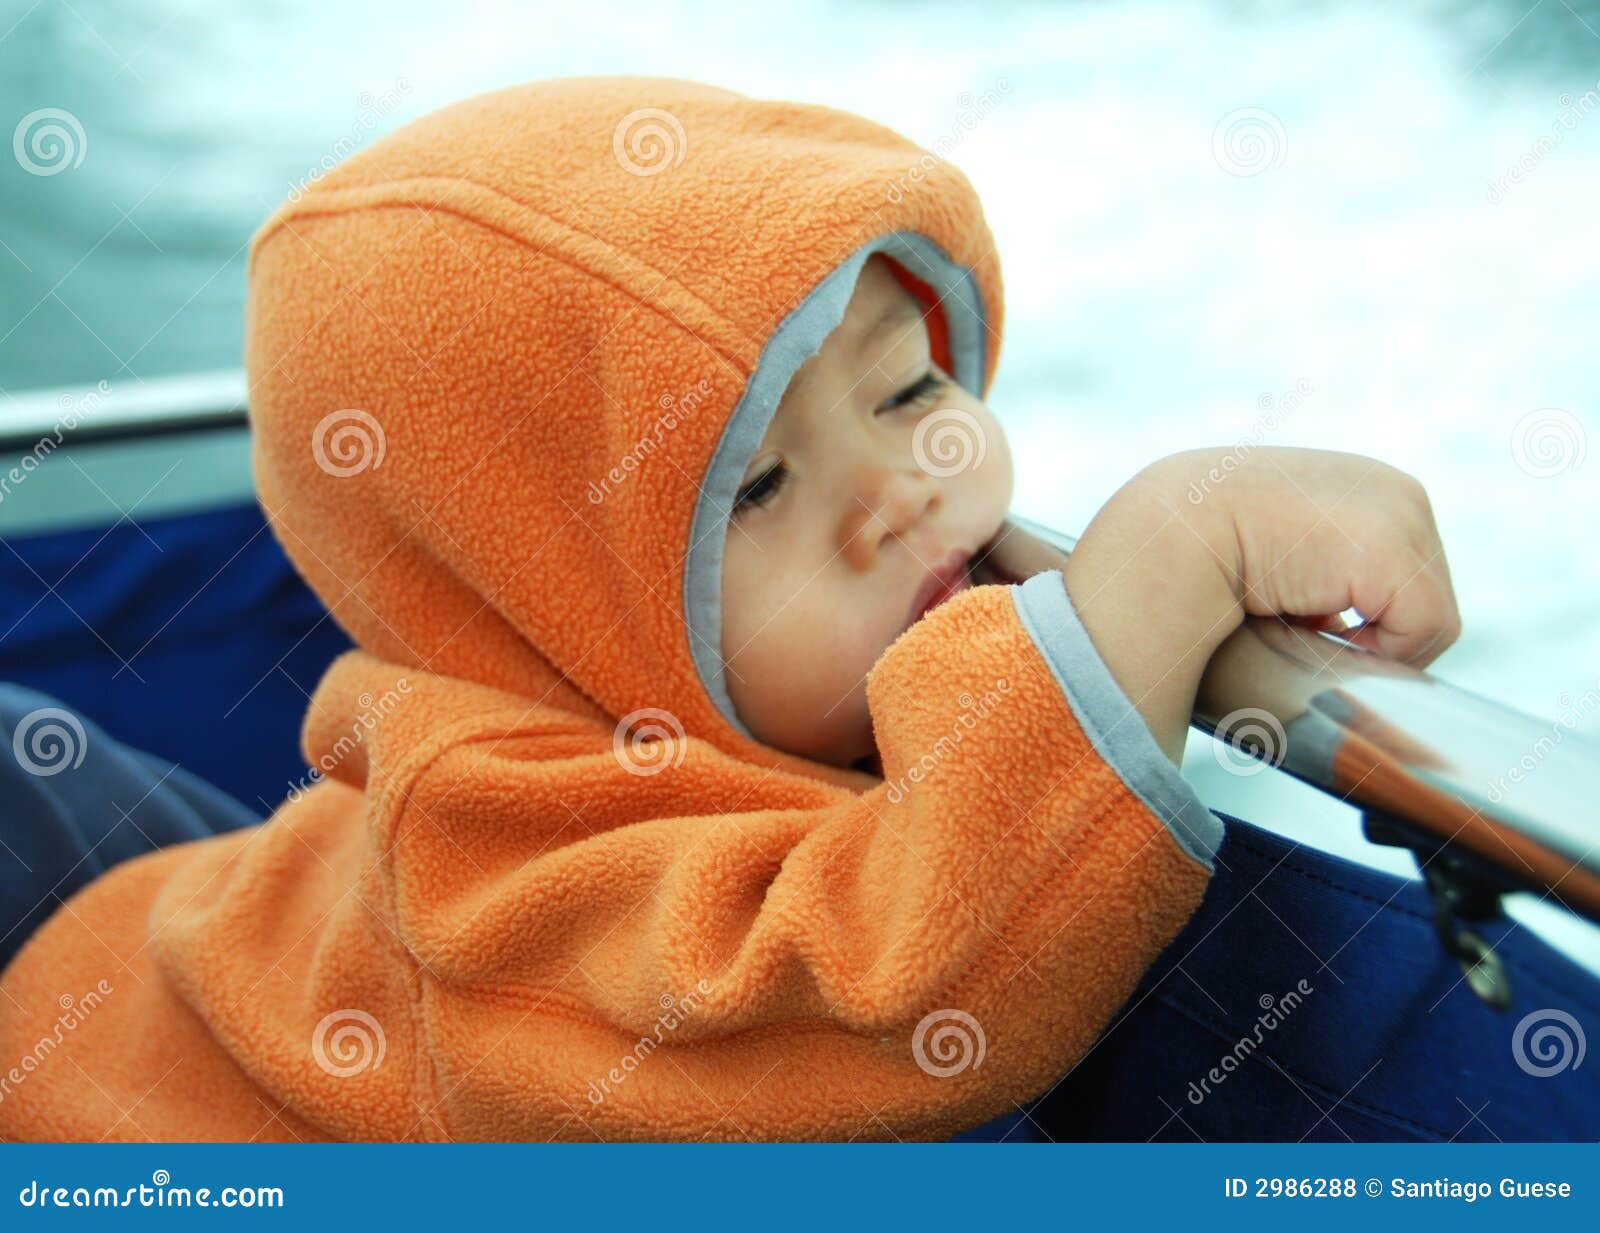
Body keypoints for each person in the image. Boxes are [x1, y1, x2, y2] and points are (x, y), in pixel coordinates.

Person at [1, 76, 1594, 1142]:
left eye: (909, 389)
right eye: (754, 489)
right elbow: (870, 989)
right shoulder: (488, 849)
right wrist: (1169, 552)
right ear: (546, 614)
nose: (905, 488)